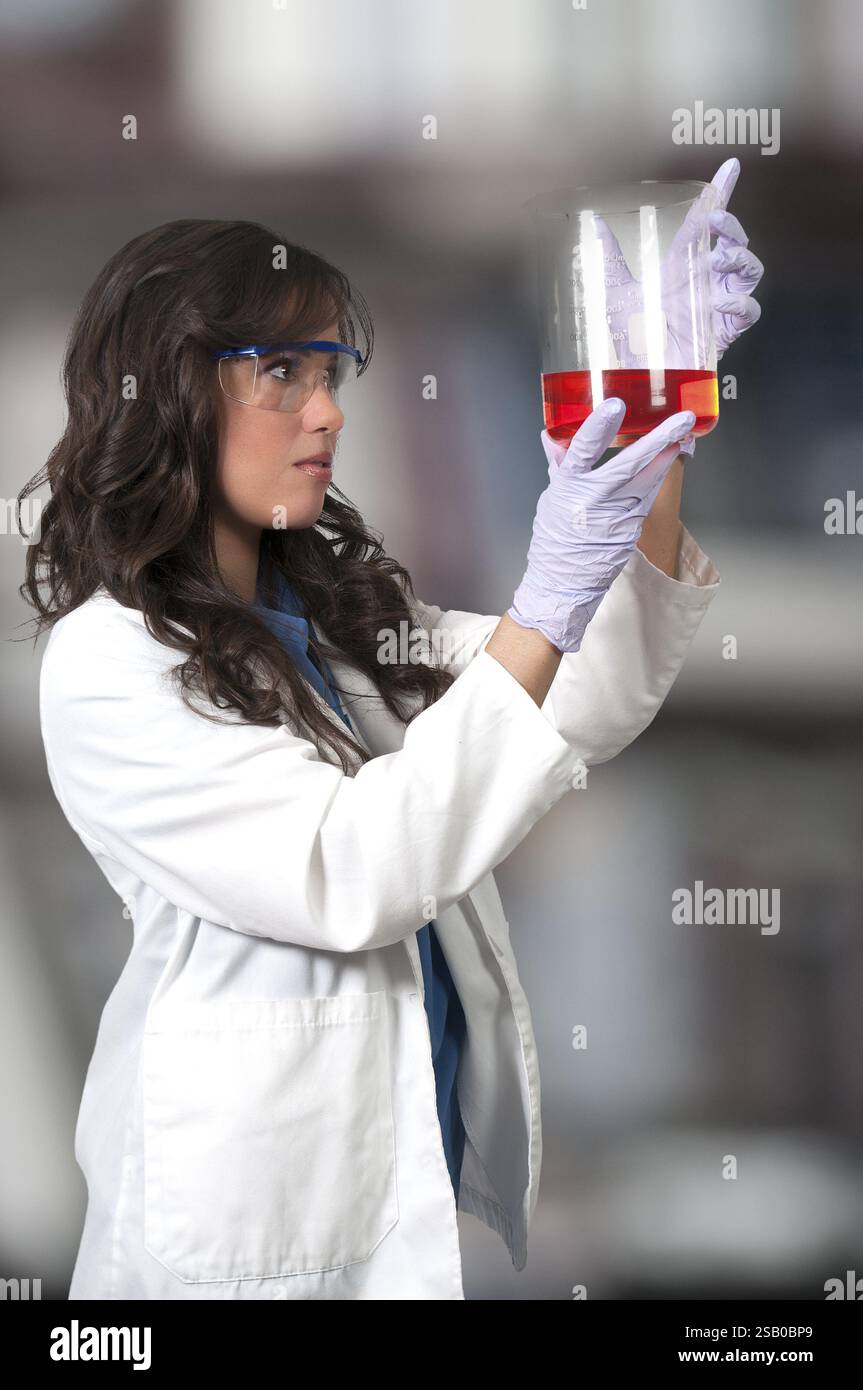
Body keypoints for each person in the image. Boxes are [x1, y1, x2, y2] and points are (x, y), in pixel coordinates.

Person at [21, 167, 761, 1300]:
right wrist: (544, 599)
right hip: (234, 1247)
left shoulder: (340, 621)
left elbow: (585, 694)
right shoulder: (108, 662)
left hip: (388, 1206)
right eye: (281, 371)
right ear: (166, 391)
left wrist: (651, 440)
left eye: (331, 370)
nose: (328, 411)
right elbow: (355, 870)